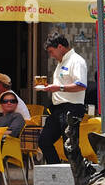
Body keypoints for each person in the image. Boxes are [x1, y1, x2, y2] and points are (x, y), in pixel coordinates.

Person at [35, 32, 87, 165]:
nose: (51, 55)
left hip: (72, 108)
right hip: (58, 109)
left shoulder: (76, 61)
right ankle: (58, 174)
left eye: (52, 51)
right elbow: (60, 85)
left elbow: (81, 85)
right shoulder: (61, 62)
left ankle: (78, 178)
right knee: (44, 141)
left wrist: (59, 88)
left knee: (70, 147)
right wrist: (50, 88)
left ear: (60, 47)